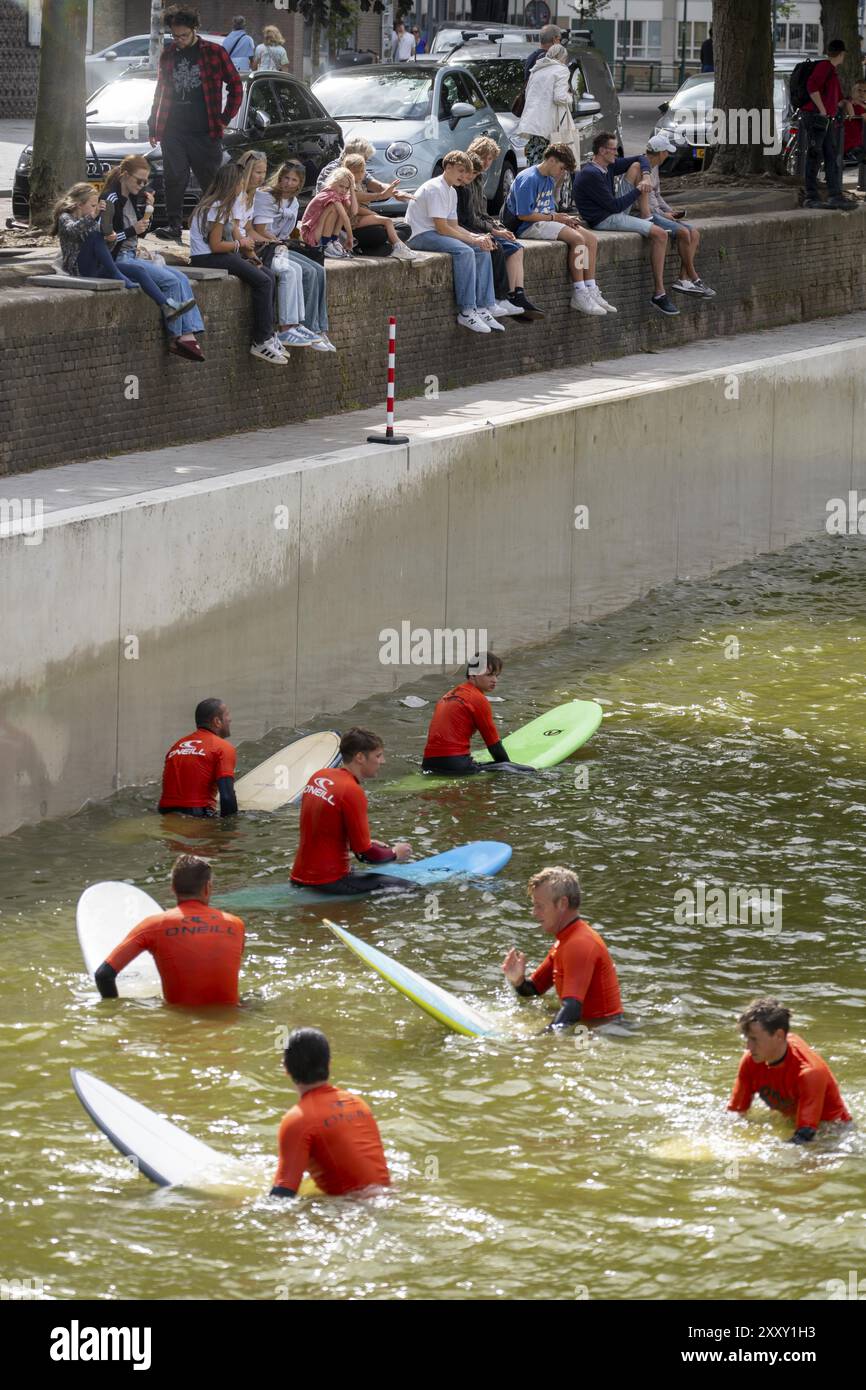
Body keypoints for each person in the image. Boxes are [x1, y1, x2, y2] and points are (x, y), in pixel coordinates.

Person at [94, 855, 245, 1007]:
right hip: (229, 1022)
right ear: (207, 888)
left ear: (172, 888)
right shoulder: (235, 925)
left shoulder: (153, 926)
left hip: (178, 1024)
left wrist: (112, 1013)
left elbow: (103, 975)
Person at [149, 5, 243, 243]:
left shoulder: (214, 52)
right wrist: (153, 123)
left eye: (183, 35)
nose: (179, 40)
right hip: (174, 129)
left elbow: (235, 86)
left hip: (206, 130)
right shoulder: (168, 54)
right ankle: (173, 225)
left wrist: (224, 118)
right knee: (174, 177)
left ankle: (213, 227)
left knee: (210, 181)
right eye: (175, 36)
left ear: (194, 30)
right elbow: (160, 91)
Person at [100, 155, 206, 360]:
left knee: (183, 278)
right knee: (171, 281)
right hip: (117, 258)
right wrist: (132, 230)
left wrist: (146, 215)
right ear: (124, 175)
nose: (142, 186)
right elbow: (105, 238)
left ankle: (189, 333)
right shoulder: (111, 199)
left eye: (145, 182)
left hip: (131, 253)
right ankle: (177, 338)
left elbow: (137, 232)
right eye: (139, 181)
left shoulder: (131, 195)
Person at [290, 727, 413, 896]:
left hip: (299, 875)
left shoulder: (319, 776)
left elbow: (322, 829)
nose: (382, 761)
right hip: (328, 881)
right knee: (411, 889)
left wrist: (362, 841)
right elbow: (367, 856)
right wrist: (395, 853)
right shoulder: (351, 790)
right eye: (378, 756)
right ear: (360, 757)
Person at [501, 867, 625, 1032]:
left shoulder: (579, 943)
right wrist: (518, 980)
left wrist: (536, 1042)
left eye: (539, 906)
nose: (534, 913)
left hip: (608, 1033)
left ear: (562, 904)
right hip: (592, 1027)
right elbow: (534, 989)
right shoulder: (564, 941)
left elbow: (572, 1010)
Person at [270, 1028, 390, 1198]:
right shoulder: (357, 1103)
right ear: (329, 1063)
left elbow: (283, 1193)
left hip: (348, 1212)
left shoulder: (297, 1120)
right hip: (387, 1198)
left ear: (286, 1069)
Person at [573, 131, 680, 316]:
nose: (617, 153)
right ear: (601, 151)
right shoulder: (591, 174)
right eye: (613, 150)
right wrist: (639, 189)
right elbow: (615, 207)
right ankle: (659, 294)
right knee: (660, 234)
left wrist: (646, 175)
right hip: (604, 219)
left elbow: (641, 157)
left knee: (637, 166)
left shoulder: (608, 166)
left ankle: (646, 215)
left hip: (614, 212)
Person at [188, 162, 285, 363]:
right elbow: (215, 245)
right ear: (233, 184)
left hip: (221, 255)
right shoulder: (216, 207)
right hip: (206, 258)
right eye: (241, 182)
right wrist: (240, 244)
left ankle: (270, 333)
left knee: (268, 275)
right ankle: (260, 340)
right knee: (263, 282)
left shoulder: (226, 206)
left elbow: (235, 233)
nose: (243, 186)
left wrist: (251, 256)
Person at [506, 143, 613, 316]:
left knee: (591, 240)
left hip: (544, 221)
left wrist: (564, 218)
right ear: (551, 160)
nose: (562, 173)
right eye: (561, 168)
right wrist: (556, 218)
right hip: (527, 226)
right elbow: (524, 215)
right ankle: (579, 292)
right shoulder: (528, 179)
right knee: (578, 239)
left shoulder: (549, 179)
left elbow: (547, 210)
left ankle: (590, 287)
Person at [727, 998, 851, 1143]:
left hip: (831, 1132)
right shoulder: (751, 1060)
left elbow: (805, 1135)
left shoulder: (810, 1073)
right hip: (792, 1119)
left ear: (779, 1035)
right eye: (747, 1038)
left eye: (754, 1039)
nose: (748, 1047)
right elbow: (735, 1113)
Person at [406, 149, 501, 334]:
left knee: (482, 249)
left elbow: (454, 226)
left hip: (434, 232)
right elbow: (442, 228)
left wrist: (477, 238)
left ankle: (482, 306)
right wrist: (472, 240)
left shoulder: (451, 192)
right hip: (420, 235)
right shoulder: (435, 188)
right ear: (447, 167)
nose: (464, 175)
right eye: (460, 170)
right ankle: (466, 311)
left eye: (466, 172)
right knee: (465, 252)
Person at [234, 148, 319, 349]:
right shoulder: (249, 195)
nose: (261, 177)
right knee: (282, 274)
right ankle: (278, 331)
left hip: (257, 246)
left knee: (305, 270)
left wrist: (274, 242)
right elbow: (241, 230)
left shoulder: (253, 195)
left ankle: (297, 325)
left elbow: (248, 228)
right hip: (242, 248)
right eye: (257, 172)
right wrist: (259, 248)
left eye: (263, 173)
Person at [253, 160, 336, 350]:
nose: (288, 183)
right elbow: (261, 229)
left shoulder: (294, 201)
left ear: (300, 183)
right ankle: (301, 325)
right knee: (304, 271)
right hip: (267, 245)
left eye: (293, 180)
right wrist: (278, 241)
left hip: (280, 245)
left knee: (318, 270)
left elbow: (287, 232)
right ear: (279, 177)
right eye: (285, 178)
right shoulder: (266, 196)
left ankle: (318, 328)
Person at [457, 145, 540, 319]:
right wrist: (495, 231)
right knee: (497, 248)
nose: (486, 163)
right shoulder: (466, 184)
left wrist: (499, 228)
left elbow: (483, 214)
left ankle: (517, 295)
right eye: (484, 158)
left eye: (490, 159)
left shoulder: (479, 180)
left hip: (480, 227)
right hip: (472, 229)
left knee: (517, 247)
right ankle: (501, 297)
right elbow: (471, 219)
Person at [422, 653, 532, 775]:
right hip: (455, 765)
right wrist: (509, 766)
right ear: (473, 675)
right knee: (529, 771)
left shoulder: (449, 695)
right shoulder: (476, 698)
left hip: (428, 763)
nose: (495, 680)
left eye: (496, 675)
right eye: (489, 675)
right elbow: (493, 744)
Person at [642, 133, 716, 298]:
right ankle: (695, 278)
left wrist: (670, 211)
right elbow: (643, 203)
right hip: (646, 214)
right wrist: (664, 215)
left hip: (658, 212)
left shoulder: (654, 168)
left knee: (694, 233)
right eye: (666, 152)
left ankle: (683, 279)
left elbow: (657, 194)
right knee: (683, 232)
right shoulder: (643, 168)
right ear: (660, 153)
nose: (668, 155)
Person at [316, 137, 413, 255]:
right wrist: (380, 196)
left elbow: (375, 184)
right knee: (380, 233)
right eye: (365, 159)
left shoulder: (359, 169)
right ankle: (381, 245)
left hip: (362, 218)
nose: (366, 163)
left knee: (404, 228)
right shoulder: (334, 171)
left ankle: (380, 247)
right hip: (342, 224)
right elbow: (348, 198)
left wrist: (395, 192)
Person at [800, 39, 857, 210]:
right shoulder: (825, 67)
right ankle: (811, 196)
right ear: (841, 54)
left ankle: (834, 195)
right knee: (815, 155)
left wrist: (847, 104)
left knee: (831, 156)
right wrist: (822, 109)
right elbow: (812, 86)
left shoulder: (832, 71)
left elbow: (838, 98)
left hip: (825, 119)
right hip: (817, 117)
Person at [159, 697, 238, 817]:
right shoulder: (223, 747)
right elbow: (227, 797)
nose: (230, 719)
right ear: (217, 721)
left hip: (165, 813)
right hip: (198, 816)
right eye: (227, 715)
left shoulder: (177, 746)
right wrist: (229, 831)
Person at [52, 182, 138, 284]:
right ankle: (116, 274)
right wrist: (93, 215)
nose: (95, 209)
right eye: (93, 205)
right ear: (80, 205)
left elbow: (105, 251)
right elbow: (73, 230)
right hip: (78, 270)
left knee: (138, 271)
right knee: (95, 236)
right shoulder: (65, 217)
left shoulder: (91, 222)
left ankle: (161, 300)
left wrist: (111, 240)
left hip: (95, 266)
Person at [343, 153, 421, 260]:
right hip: (355, 220)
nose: (361, 175)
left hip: (365, 217)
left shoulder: (360, 183)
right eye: (357, 172)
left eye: (362, 171)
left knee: (404, 228)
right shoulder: (348, 186)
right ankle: (398, 246)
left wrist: (394, 192)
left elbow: (379, 186)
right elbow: (355, 208)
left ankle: (388, 245)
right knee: (386, 223)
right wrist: (373, 212)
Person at [518, 42, 574, 168]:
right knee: (550, 163)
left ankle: (532, 186)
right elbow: (559, 97)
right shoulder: (562, 70)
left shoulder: (536, 70)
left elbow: (528, 95)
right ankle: (544, 187)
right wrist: (570, 98)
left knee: (533, 160)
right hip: (548, 125)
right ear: (561, 57)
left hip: (532, 124)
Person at [299, 167, 356, 258]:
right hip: (311, 233)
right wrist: (350, 237)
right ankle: (325, 244)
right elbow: (345, 217)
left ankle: (333, 240)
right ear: (333, 182)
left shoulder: (341, 195)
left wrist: (352, 189)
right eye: (341, 186)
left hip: (319, 231)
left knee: (344, 206)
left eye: (347, 188)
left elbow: (354, 211)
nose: (344, 190)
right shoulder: (330, 194)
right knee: (333, 207)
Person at [842, 78, 866, 161]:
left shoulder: (857, 105)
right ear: (853, 92)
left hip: (852, 143)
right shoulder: (857, 106)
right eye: (859, 90)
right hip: (852, 145)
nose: (862, 93)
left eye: (865, 91)